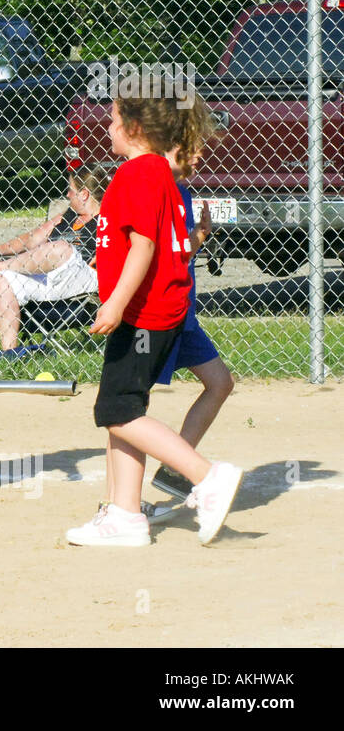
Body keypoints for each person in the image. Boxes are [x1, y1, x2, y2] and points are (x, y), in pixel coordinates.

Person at [66, 89, 242, 547]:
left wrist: (117, 303)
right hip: (153, 312)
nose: (108, 129)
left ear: (136, 129)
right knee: (124, 408)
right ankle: (123, 513)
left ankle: (206, 477)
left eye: (114, 121)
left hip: (144, 315)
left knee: (117, 409)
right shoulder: (157, 172)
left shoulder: (137, 172)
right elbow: (146, 243)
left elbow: (144, 246)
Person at [146, 134, 235, 510]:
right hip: (160, 313)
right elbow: (170, 256)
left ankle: (175, 468)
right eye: (192, 148)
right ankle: (122, 502)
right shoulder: (161, 188)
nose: (200, 156)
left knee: (220, 383)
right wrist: (199, 236)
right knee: (130, 405)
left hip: (184, 314)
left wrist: (196, 235)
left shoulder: (181, 189)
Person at [0, 166, 109, 359]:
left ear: (84, 194)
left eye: (71, 190)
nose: (67, 195)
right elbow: (30, 240)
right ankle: (10, 353)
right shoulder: (66, 216)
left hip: (84, 278)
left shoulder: (108, 217)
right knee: (4, 279)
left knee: (61, 247)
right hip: (51, 277)